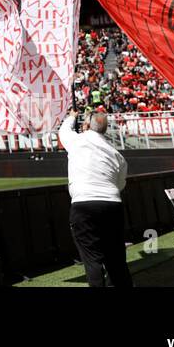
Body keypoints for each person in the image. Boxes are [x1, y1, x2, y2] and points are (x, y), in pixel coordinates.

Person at [59, 108, 131, 287]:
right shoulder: (117, 155)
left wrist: (71, 117)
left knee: (93, 261)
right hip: (112, 205)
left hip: (83, 205)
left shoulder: (76, 141)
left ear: (85, 126)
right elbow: (121, 185)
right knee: (117, 260)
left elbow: (63, 131)